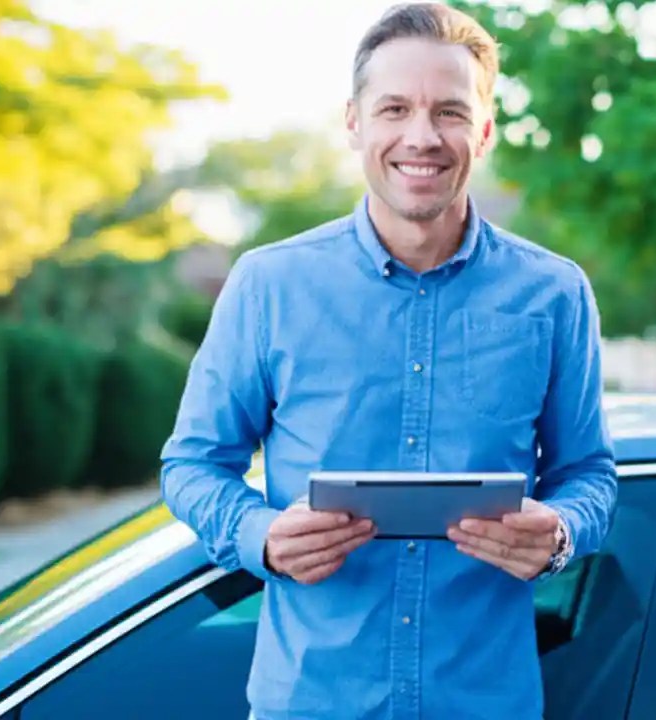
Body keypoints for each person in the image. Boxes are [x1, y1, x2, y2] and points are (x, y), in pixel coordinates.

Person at [159, 3, 617, 718]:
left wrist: (560, 535)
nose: (422, 137)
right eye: (395, 108)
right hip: (312, 703)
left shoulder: (554, 296)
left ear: (486, 130)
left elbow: (588, 474)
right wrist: (262, 537)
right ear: (353, 122)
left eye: (451, 112)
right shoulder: (270, 285)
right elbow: (190, 464)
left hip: (484, 703)